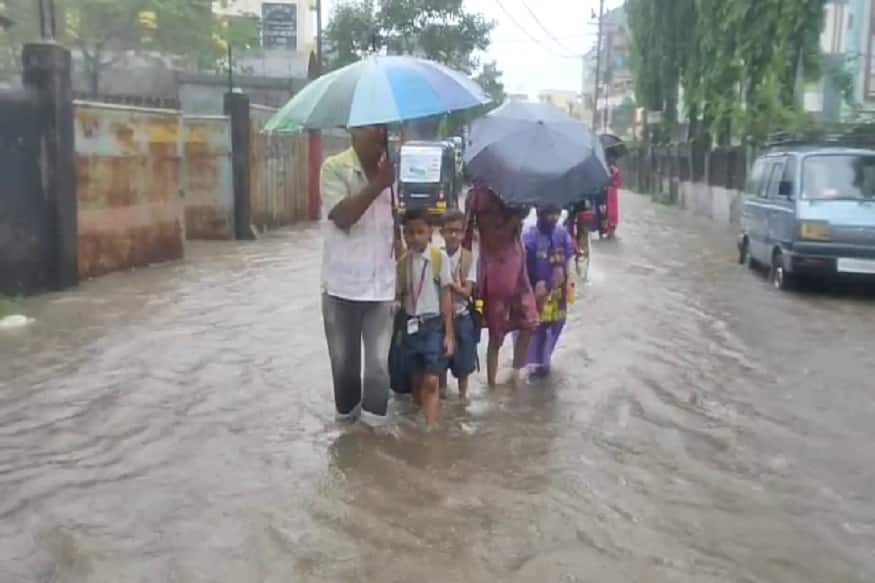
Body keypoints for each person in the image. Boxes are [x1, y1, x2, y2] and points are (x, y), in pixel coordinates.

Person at [320, 125, 396, 427]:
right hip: (341, 289)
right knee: (344, 370)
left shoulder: (390, 175)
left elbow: (396, 227)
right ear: (354, 134)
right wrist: (378, 185)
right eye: (373, 137)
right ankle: (347, 436)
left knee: (378, 367)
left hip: (382, 288)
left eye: (382, 137)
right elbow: (343, 217)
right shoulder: (334, 168)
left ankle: (374, 438)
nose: (380, 143)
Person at [464, 185, 538, 388]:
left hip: (517, 266)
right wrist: (514, 219)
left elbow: (516, 233)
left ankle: (515, 374)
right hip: (497, 271)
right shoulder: (479, 197)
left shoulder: (515, 190)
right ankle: (492, 385)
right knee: (497, 332)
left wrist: (519, 214)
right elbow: (489, 238)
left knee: (529, 322)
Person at [395, 209, 455, 427]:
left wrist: (449, 334)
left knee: (431, 379)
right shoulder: (402, 263)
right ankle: (418, 421)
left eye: (420, 232)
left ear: (430, 232)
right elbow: (399, 296)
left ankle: (431, 428)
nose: (415, 237)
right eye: (410, 233)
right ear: (404, 234)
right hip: (411, 326)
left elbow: (446, 296)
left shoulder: (439, 259)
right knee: (416, 379)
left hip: (433, 325)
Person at [522, 206, 575, 379]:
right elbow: (522, 267)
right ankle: (533, 365)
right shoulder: (529, 236)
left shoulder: (562, 234)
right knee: (535, 328)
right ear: (539, 213)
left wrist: (568, 281)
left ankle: (544, 360)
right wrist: (534, 283)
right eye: (550, 213)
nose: (554, 217)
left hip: (557, 294)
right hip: (535, 293)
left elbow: (569, 259)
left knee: (556, 324)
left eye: (556, 213)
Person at [439, 209, 478, 400]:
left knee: (464, 366)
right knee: (439, 364)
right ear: (441, 233)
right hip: (439, 317)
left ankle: (462, 400)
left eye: (457, 231)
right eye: (449, 231)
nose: (453, 235)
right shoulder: (436, 256)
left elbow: (467, 292)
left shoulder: (469, 258)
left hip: (462, 316)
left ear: (463, 233)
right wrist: (455, 285)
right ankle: (442, 398)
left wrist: (449, 283)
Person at [604, 157, 623, 238]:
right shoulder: (608, 171)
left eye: (612, 165)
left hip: (612, 193)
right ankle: (609, 230)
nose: (611, 166)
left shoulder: (617, 172)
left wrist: (613, 182)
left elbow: (619, 183)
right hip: (609, 192)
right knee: (608, 211)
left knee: (612, 211)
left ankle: (612, 230)